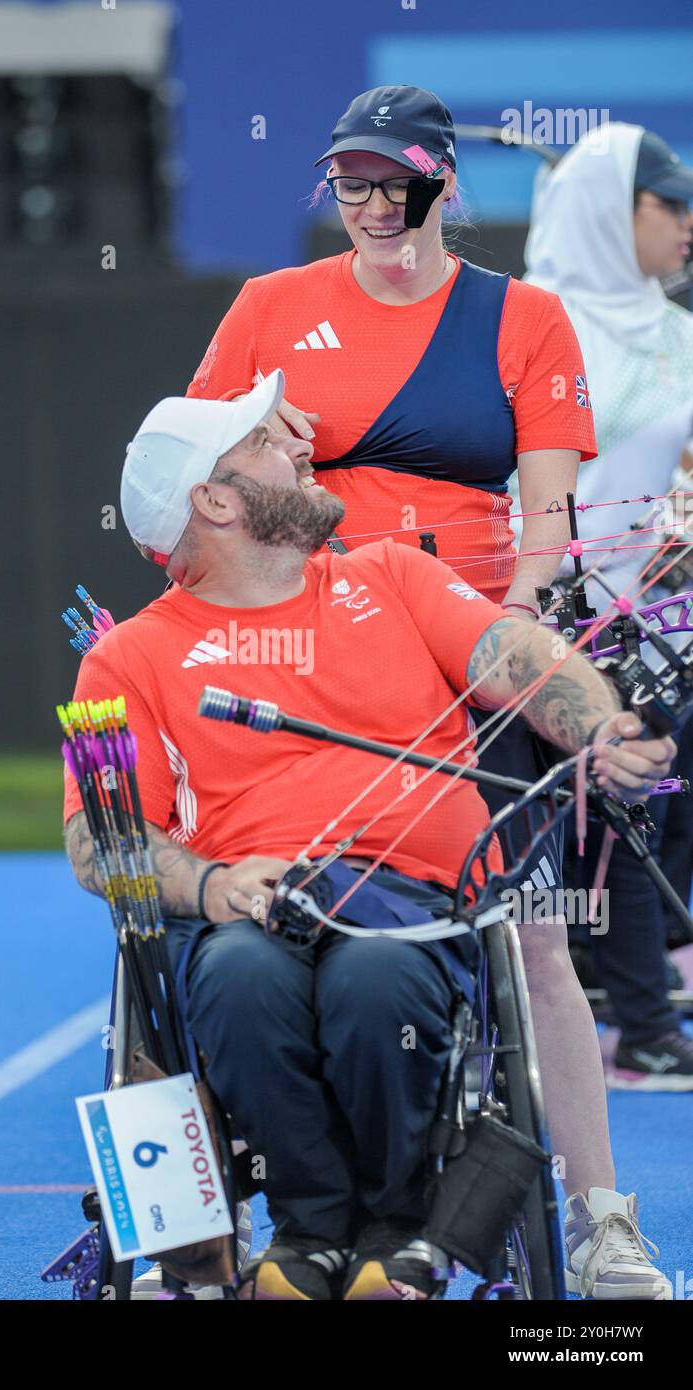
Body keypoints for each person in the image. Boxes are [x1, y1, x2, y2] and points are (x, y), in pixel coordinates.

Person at [63, 374, 674, 1299]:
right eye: (268, 443)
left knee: (373, 972)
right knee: (241, 976)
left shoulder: (388, 574)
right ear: (215, 500)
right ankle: (311, 1235)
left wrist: (599, 724)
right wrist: (211, 882)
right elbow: (99, 845)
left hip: (410, 904)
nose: (300, 449)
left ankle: (387, 1234)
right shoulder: (129, 654)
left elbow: (516, 658)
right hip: (245, 915)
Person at [183, 84, 645, 1293]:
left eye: (396, 181)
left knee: (537, 943)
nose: (374, 205)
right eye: (351, 182)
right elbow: (189, 476)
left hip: (466, 646)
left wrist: (526, 611)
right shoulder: (268, 308)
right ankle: (279, 1208)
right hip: (310, 644)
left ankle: (600, 1219)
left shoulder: (521, 315)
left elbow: (547, 516)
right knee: (273, 916)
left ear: (443, 182)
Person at [522, 122, 693, 1087]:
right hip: (559, 616)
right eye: (665, 203)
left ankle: (628, 992)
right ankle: (640, 1023)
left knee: (657, 808)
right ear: (606, 212)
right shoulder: (535, 322)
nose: (684, 222)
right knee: (614, 813)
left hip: (666, 616)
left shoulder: (676, 331)